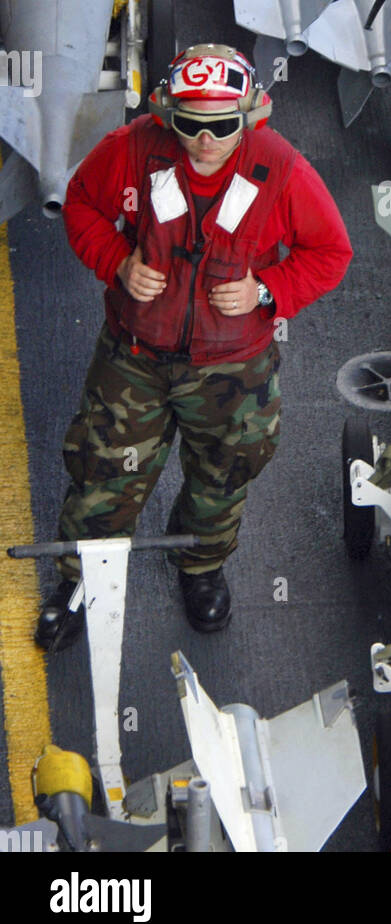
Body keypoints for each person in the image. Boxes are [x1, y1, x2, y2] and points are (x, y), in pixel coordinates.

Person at [35, 43, 352, 650]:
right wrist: (118, 264)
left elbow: (331, 253)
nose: (205, 143)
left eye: (222, 127)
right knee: (105, 471)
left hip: (233, 367)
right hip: (135, 356)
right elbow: (83, 205)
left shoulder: (281, 170)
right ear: (167, 117)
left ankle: (202, 567)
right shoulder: (131, 150)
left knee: (225, 473)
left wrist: (268, 290)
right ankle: (80, 583)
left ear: (252, 117)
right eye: (191, 126)